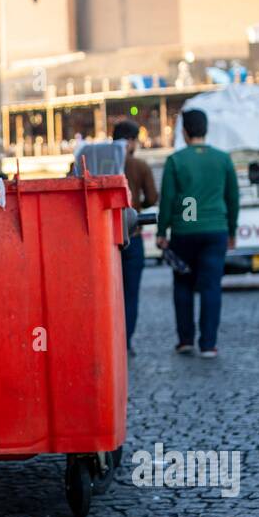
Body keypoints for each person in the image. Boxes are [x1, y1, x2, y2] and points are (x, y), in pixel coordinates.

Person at [155, 108, 239, 359]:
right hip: (216, 230)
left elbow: (168, 199)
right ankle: (209, 344)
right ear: (206, 129)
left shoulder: (176, 161)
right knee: (211, 287)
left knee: (183, 283)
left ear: (184, 132)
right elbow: (232, 198)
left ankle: (185, 340)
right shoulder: (223, 160)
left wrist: (162, 231)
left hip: (184, 231)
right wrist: (232, 230)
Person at [113, 120, 157, 354]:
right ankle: (125, 341)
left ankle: (107, 338)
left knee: (107, 293)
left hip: (105, 240)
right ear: (130, 141)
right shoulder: (140, 166)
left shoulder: (101, 162)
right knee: (130, 294)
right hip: (133, 235)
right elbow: (152, 198)